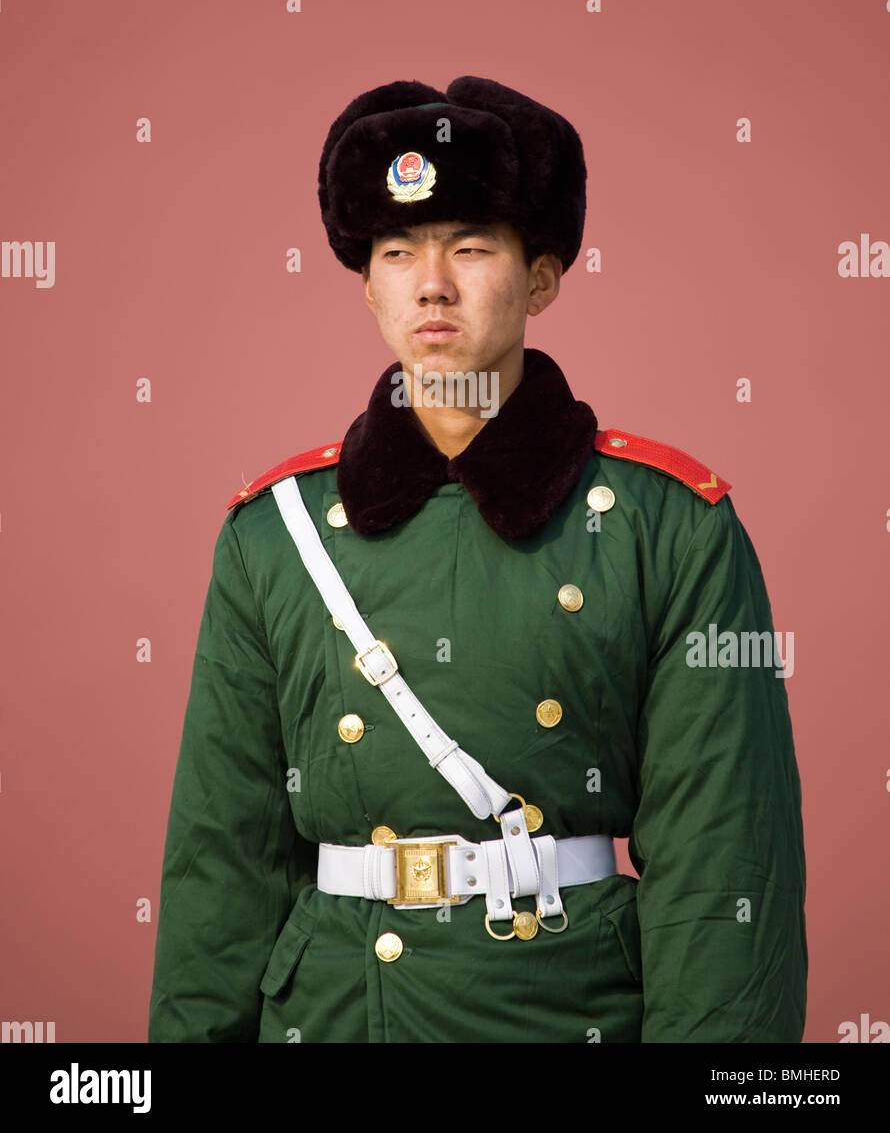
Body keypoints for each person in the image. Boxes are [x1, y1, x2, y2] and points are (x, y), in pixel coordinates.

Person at [148, 75, 807, 1043]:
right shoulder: (274, 533)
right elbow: (221, 863)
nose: (431, 283)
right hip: (334, 1014)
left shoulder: (665, 524)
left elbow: (724, 863)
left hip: (566, 1010)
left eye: (469, 247)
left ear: (539, 276)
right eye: (397, 251)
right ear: (366, 283)